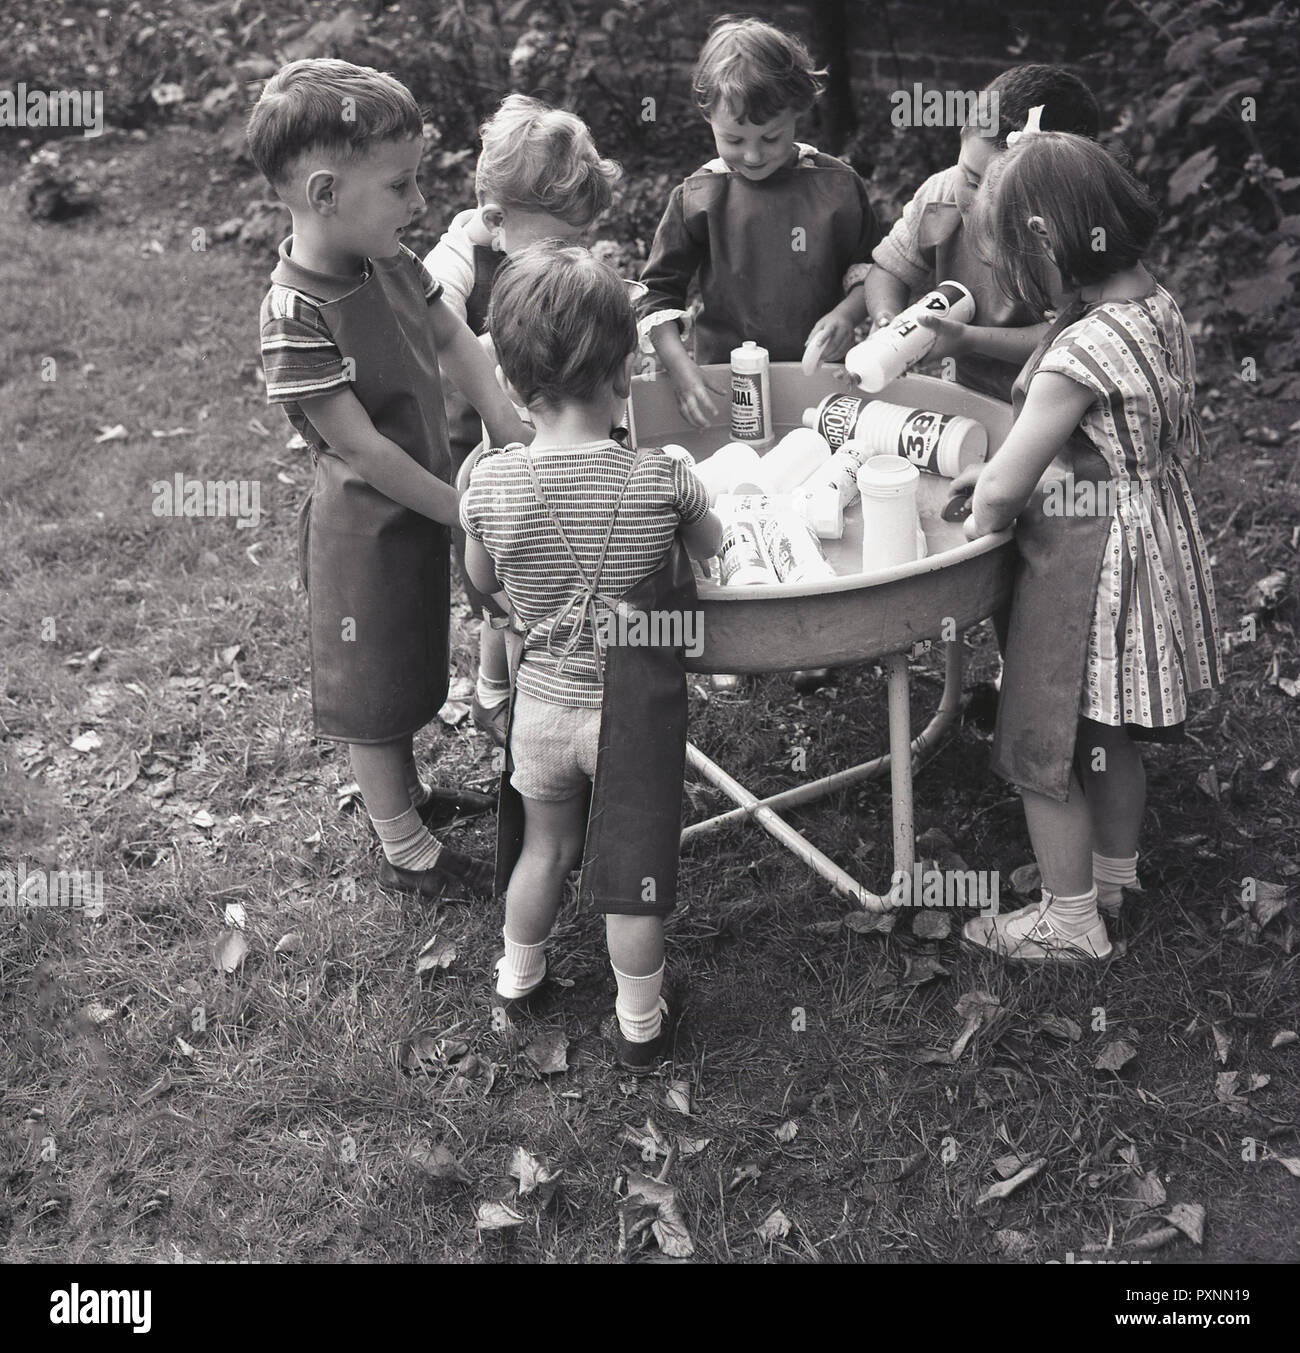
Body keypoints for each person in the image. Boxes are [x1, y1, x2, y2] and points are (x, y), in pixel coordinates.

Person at [249, 59, 530, 901]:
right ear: (327, 193)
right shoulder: (293, 315)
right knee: (371, 685)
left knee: (410, 658)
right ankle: (401, 845)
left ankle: (407, 798)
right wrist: (466, 511)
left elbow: (455, 342)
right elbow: (363, 449)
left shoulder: (392, 262)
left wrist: (511, 430)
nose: (418, 206)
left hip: (426, 504)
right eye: (402, 186)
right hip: (364, 531)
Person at [953, 133, 1222, 962]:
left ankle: (1069, 922)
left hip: (1089, 567)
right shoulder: (1156, 306)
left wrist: (974, 526)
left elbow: (1004, 487)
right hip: (1150, 541)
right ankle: (1114, 876)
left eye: (1013, 261)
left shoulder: (1076, 353)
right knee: (1109, 733)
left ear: (1045, 236)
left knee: (1045, 742)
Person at [461, 242, 722, 1070]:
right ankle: (641, 1024)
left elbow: (483, 583)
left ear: (508, 385)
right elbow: (713, 548)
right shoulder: (661, 480)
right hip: (627, 717)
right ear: (626, 375)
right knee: (630, 871)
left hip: (539, 709)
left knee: (546, 848)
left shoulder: (490, 487)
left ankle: (517, 974)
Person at [424, 95, 621, 746]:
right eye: (561, 240)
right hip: (483, 464)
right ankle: (511, 706)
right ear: (496, 219)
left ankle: (503, 692)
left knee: (537, 587)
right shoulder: (460, 259)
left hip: (549, 456)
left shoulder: (537, 251)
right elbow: (428, 321)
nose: (570, 255)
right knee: (501, 596)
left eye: (580, 241)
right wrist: (484, 356)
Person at [637, 14, 879, 428]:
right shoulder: (699, 195)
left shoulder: (837, 185)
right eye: (733, 140)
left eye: (771, 137)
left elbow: (874, 272)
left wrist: (849, 314)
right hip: (726, 385)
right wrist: (680, 370)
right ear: (708, 115)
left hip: (821, 382)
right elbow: (656, 296)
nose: (752, 156)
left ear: (799, 110)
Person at [866, 64, 1101, 401]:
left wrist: (970, 339)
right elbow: (890, 268)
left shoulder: (1068, 234)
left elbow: (1068, 335)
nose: (981, 207)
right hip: (961, 395)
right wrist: (886, 317)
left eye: (1010, 196)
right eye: (972, 179)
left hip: (1049, 410)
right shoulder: (940, 198)